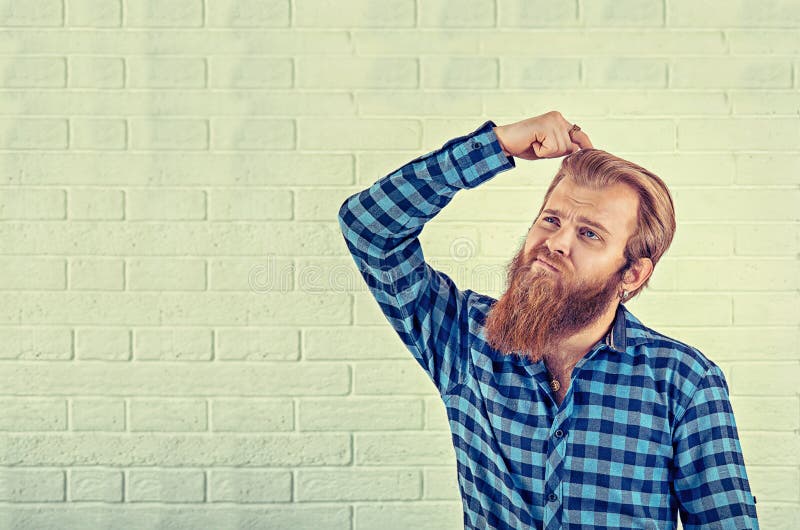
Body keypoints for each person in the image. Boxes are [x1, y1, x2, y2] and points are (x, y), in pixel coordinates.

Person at [337, 111, 759, 529]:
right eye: (551, 220)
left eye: (590, 234)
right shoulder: (466, 339)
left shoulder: (684, 383)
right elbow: (369, 229)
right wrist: (497, 144)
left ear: (632, 273)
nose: (555, 242)